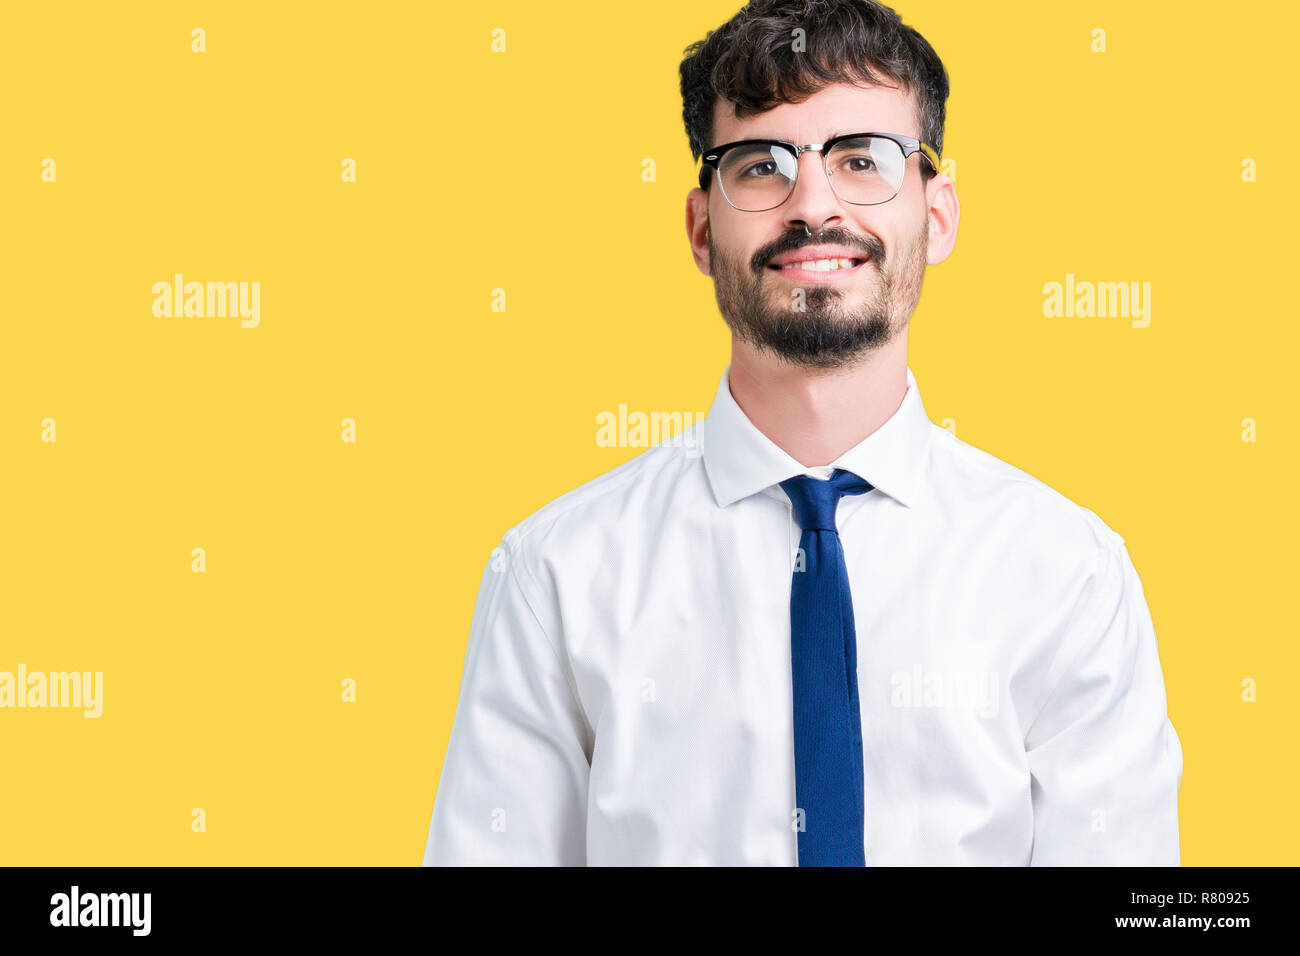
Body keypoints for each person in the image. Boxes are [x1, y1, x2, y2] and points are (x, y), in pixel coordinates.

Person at [422, 0, 1182, 866]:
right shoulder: (555, 576)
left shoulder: (1069, 577)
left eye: (862, 159)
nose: (812, 204)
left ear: (937, 217)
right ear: (703, 228)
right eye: (759, 166)